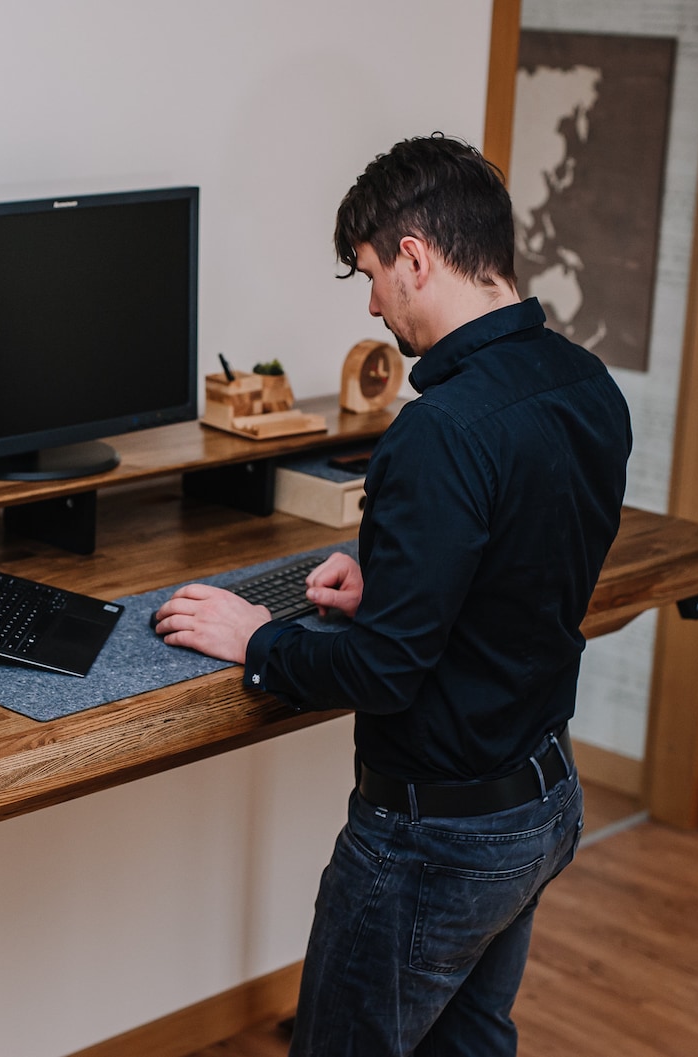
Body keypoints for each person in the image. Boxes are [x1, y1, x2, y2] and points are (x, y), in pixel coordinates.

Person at [151, 134, 632, 1056]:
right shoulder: (584, 383)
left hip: (439, 838)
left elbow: (383, 672)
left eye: (369, 274)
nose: (371, 303)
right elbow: (529, 564)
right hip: (543, 798)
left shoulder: (438, 431)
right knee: (471, 1041)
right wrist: (402, 575)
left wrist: (256, 637)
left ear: (415, 256)